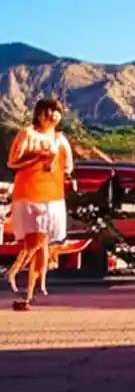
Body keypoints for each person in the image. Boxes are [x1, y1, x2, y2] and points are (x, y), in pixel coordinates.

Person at [6, 97, 73, 305]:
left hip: (52, 197)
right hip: (29, 195)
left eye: (57, 111)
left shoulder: (61, 139)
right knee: (33, 242)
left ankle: (35, 285)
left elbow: (67, 167)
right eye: (49, 110)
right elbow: (13, 162)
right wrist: (39, 157)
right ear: (39, 113)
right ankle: (20, 279)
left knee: (42, 242)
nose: (53, 115)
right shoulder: (27, 134)